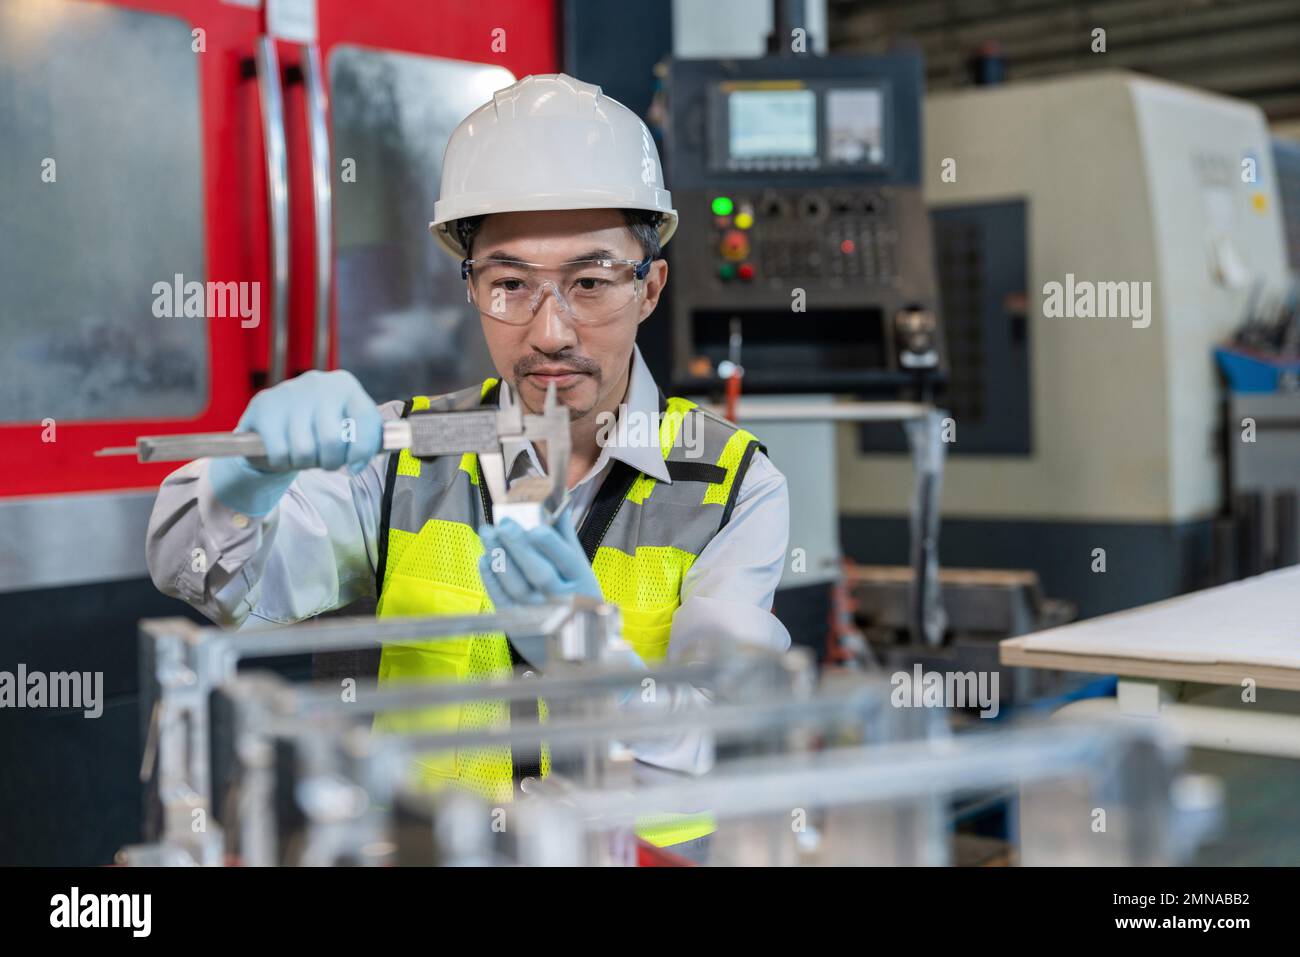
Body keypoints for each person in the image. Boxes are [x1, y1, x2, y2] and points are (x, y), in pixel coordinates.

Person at [145, 73, 790, 853]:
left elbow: (732, 734)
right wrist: (249, 473)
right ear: (472, 285)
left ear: (649, 287)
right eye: (511, 284)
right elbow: (204, 574)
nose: (550, 331)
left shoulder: (730, 483)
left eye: (589, 282)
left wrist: (586, 655)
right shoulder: (406, 454)